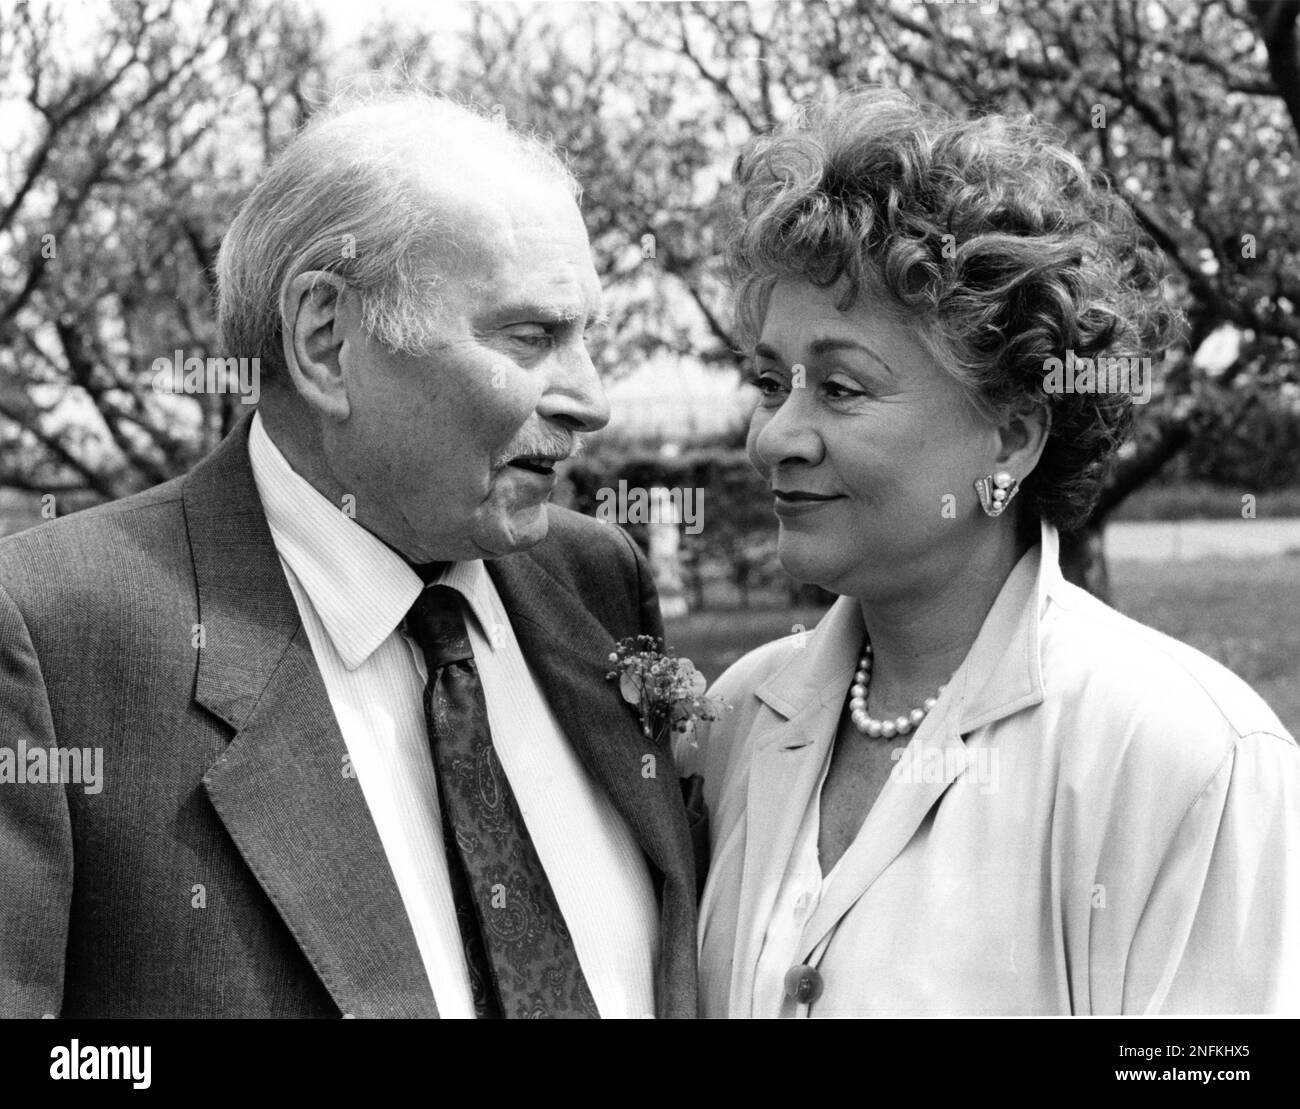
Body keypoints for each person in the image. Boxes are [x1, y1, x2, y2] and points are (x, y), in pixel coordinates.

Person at [0, 92, 699, 1019]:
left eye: (587, 337)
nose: (591, 398)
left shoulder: (597, 581)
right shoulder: (54, 634)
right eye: (531, 336)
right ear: (327, 339)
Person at [695, 89, 1300, 1017]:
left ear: (1010, 439)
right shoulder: (735, 719)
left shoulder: (1185, 756)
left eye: (843, 388)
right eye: (772, 381)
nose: (775, 436)